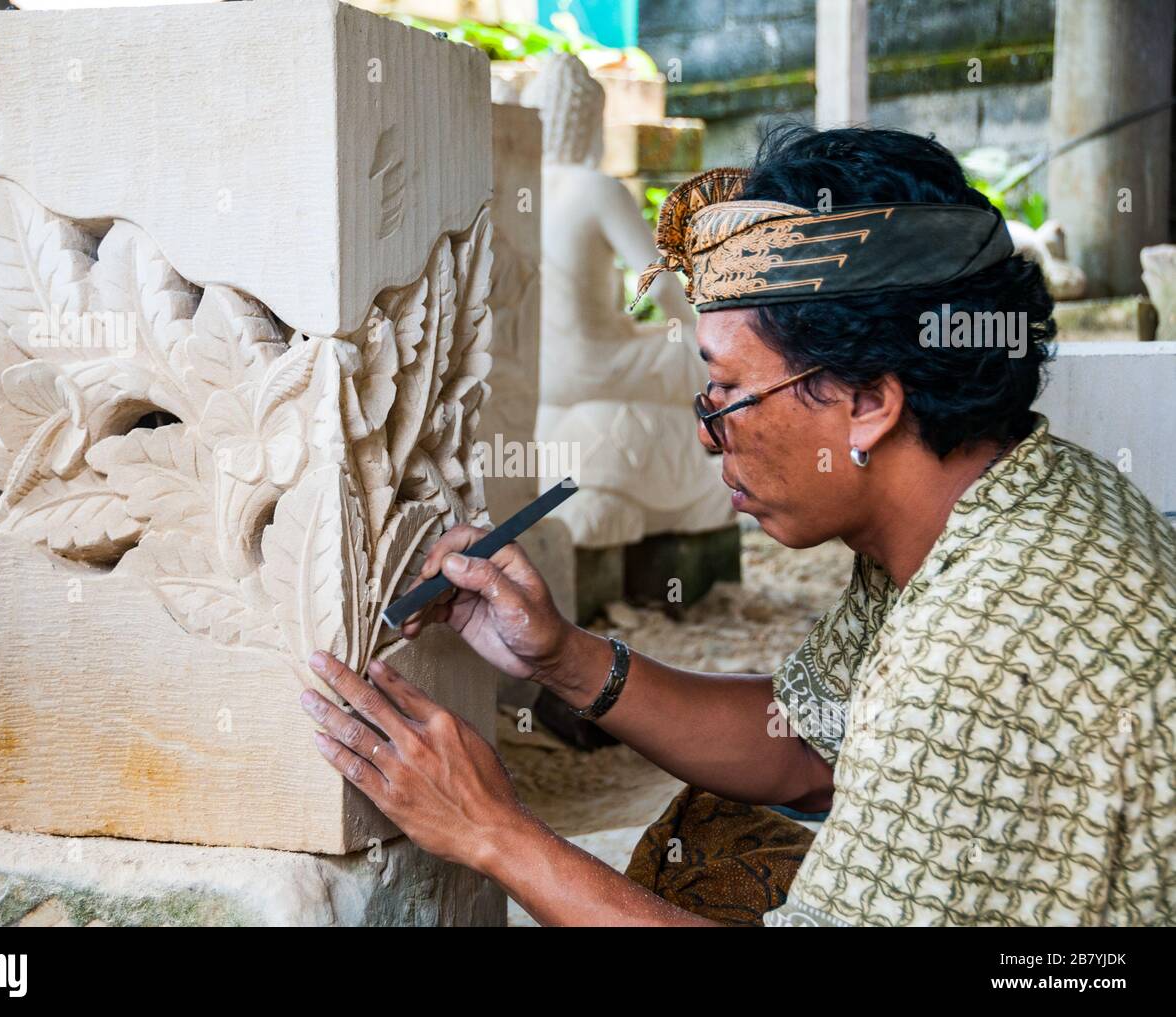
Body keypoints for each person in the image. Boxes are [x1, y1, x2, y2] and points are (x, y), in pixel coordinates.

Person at [298, 125, 1176, 927]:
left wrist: (494, 832)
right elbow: (805, 741)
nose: (705, 428)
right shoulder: (999, 495)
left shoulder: (979, 649)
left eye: (729, 393)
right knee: (716, 829)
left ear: (868, 402)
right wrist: (562, 656)